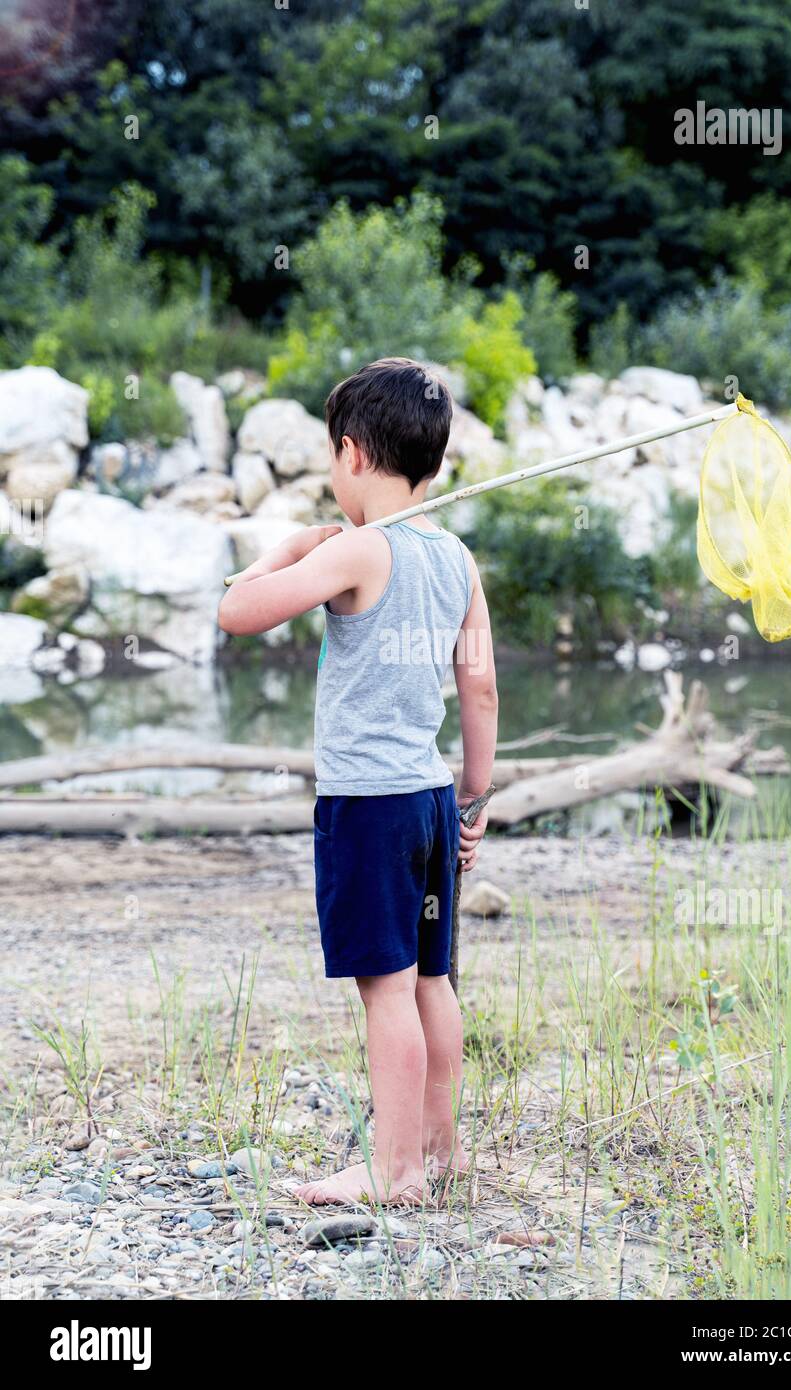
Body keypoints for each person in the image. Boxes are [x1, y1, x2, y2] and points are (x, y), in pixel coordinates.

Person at [219, 357, 498, 1204]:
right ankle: (440, 1151)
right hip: (429, 800)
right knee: (429, 980)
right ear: (433, 463)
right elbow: (480, 686)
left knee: (385, 991)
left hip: (368, 808)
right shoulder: (457, 560)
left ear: (349, 455)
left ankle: (398, 1168)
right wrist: (475, 799)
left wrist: (289, 548)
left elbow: (236, 611)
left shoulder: (355, 553)